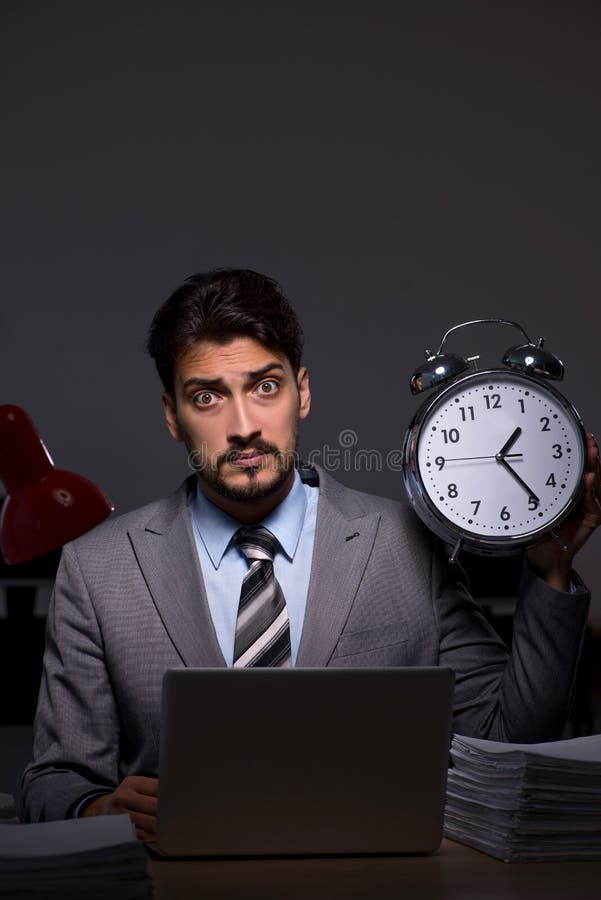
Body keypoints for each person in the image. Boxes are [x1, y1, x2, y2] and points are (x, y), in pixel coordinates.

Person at [21, 269, 601, 841]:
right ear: (173, 414)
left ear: (302, 391)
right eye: (207, 397)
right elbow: (54, 780)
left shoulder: (409, 545)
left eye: (265, 387)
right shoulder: (97, 570)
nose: (243, 426)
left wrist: (551, 572)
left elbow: (510, 739)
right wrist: (96, 808)